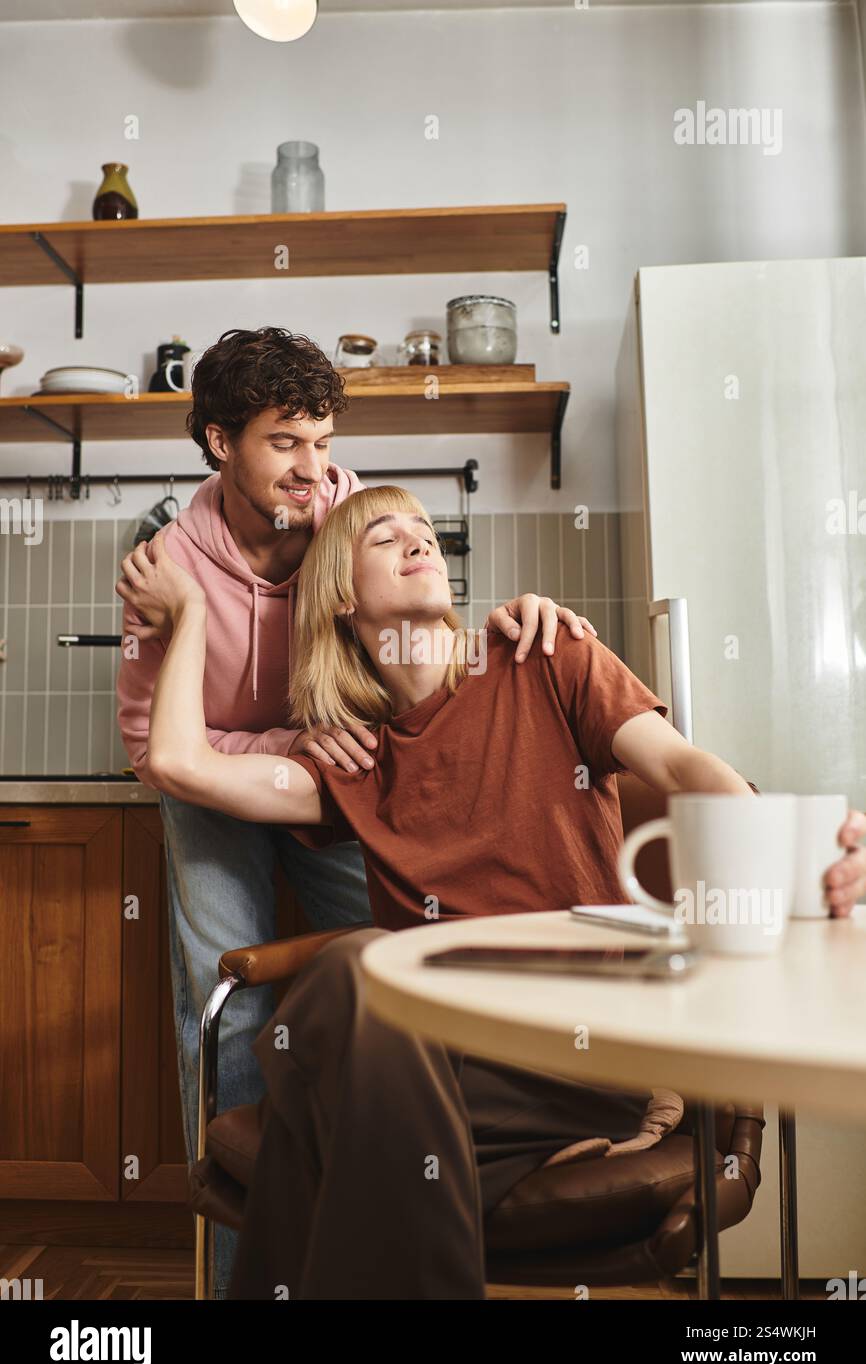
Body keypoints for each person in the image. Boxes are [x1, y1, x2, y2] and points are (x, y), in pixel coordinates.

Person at [118, 485, 866, 1300]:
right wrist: (188, 611)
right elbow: (180, 765)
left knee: (336, 1032)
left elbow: (690, 771)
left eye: (427, 531)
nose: (421, 541)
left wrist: (805, 859)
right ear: (339, 598)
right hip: (437, 1069)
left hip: (578, 1049)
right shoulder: (356, 765)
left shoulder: (547, 658)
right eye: (384, 536)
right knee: (358, 984)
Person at [115, 328, 597, 1298]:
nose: (314, 467)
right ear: (218, 441)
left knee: (401, 953)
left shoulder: (347, 516)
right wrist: (286, 747)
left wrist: (512, 625)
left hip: (341, 774)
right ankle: (244, 1272)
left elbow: (417, 625)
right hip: (238, 784)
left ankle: (421, 1177)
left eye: (323, 440)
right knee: (225, 999)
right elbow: (155, 752)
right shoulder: (164, 568)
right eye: (286, 442)